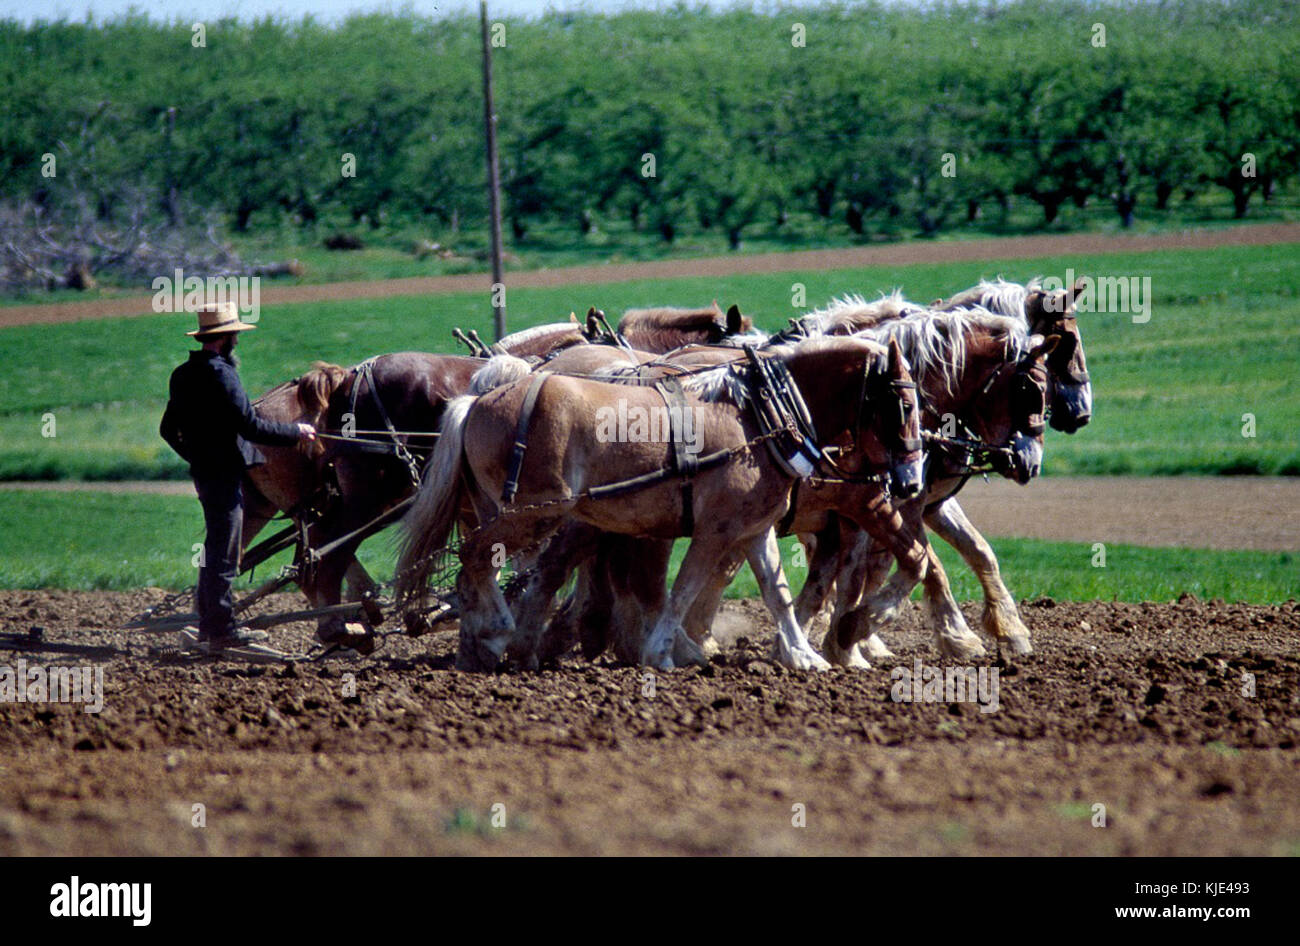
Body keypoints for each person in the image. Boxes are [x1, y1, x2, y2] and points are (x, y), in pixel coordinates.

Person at [160, 302, 316, 653]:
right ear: (226, 337)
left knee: (218, 549)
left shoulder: (182, 374)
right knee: (224, 554)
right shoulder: (222, 374)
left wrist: (196, 457)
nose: (237, 342)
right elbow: (250, 426)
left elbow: (167, 429)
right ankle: (222, 631)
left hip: (205, 473)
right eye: (235, 336)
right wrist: (296, 432)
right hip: (224, 475)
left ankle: (212, 625)